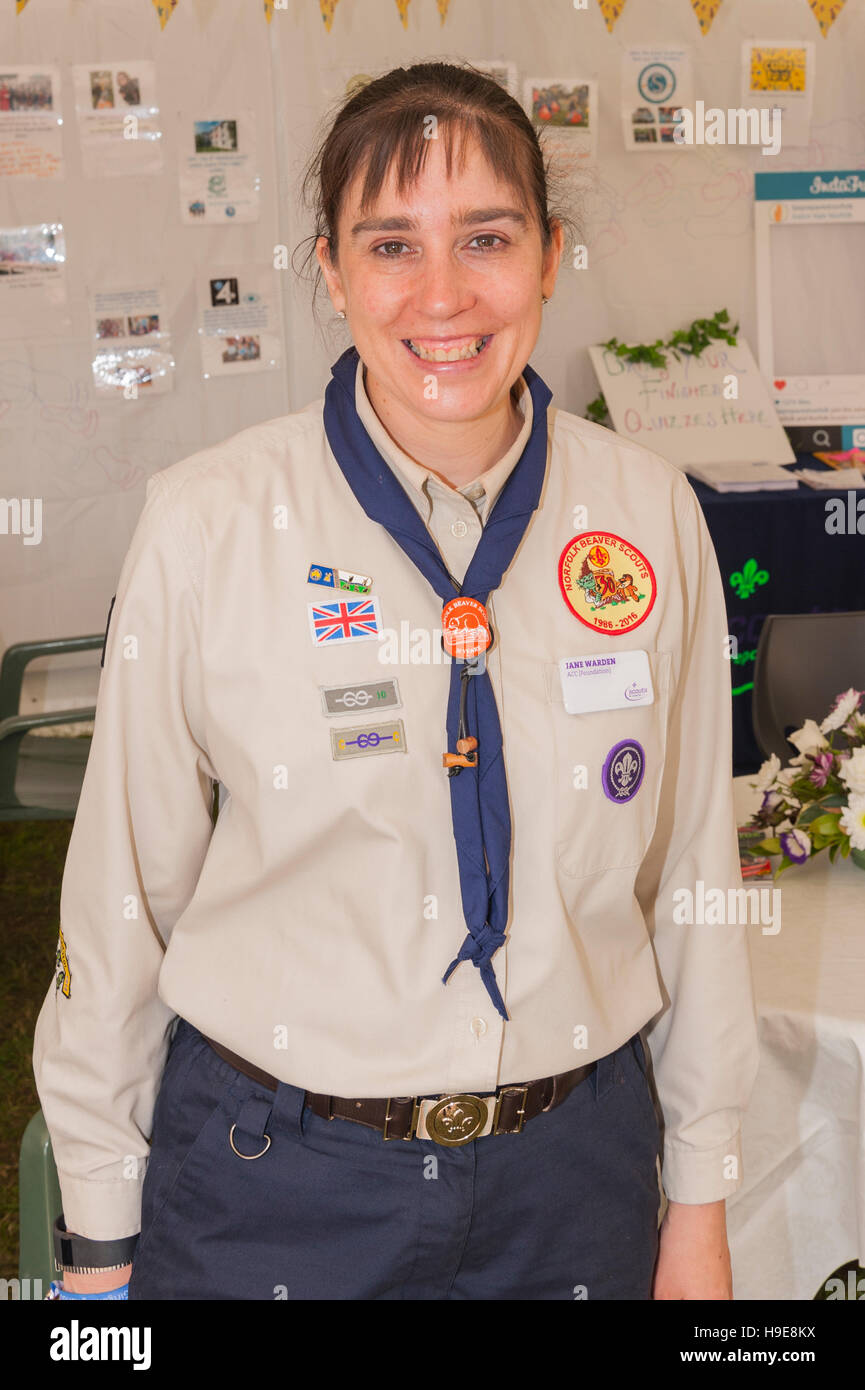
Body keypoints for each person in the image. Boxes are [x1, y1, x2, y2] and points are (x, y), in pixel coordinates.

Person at [33, 61, 759, 1302]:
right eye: (390, 244)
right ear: (330, 268)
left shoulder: (647, 514)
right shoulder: (206, 525)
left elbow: (691, 874)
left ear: (548, 255)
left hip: (573, 1181)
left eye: (486, 237)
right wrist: (100, 1247)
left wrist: (697, 1203)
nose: (441, 296)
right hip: (274, 1183)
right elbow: (121, 900)